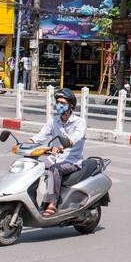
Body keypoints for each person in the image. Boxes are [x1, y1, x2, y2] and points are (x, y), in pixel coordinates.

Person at [34, 88, 87, 218]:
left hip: (72, 161)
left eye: (62, 103)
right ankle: (34, 201)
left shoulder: (79, 122)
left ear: (71, 106)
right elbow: (40, 136)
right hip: (54, 158)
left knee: (54, 170)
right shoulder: (54, 121)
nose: (59, 105)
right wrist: (26, 144)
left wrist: (64, 145)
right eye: (57, 102)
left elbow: (76, 137)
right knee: (34, 167)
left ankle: (52, 203)